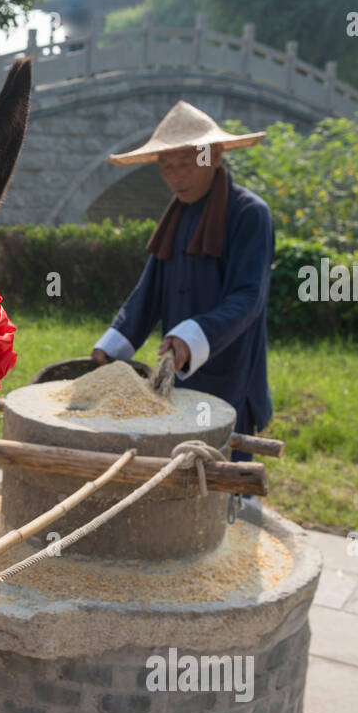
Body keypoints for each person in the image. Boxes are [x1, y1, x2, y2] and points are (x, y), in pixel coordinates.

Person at [91, 100, 274, 467]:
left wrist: (193, 335)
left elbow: (249, 297)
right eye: (166, 166)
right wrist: (113, 346)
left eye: (186, 163)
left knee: (225, 474)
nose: (175, 177)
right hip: (178, 369)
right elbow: (149, 292)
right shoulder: (177, 216)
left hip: (230, 365)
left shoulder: (249, 213)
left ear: (214, 156)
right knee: (183, 464)